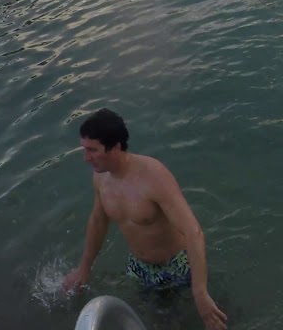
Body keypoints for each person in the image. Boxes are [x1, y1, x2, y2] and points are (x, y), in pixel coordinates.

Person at [62, 109, 227, 330]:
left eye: (92, 150)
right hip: (141, 270)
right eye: (85, 149)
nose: (86, 157)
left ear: (116, 147)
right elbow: (98, 221)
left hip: (179, 267)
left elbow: (193, 231)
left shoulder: (154, 176)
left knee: (213, 318)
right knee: (161, 323)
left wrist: (200, 291)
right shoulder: (100, 178)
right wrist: (84, 268)